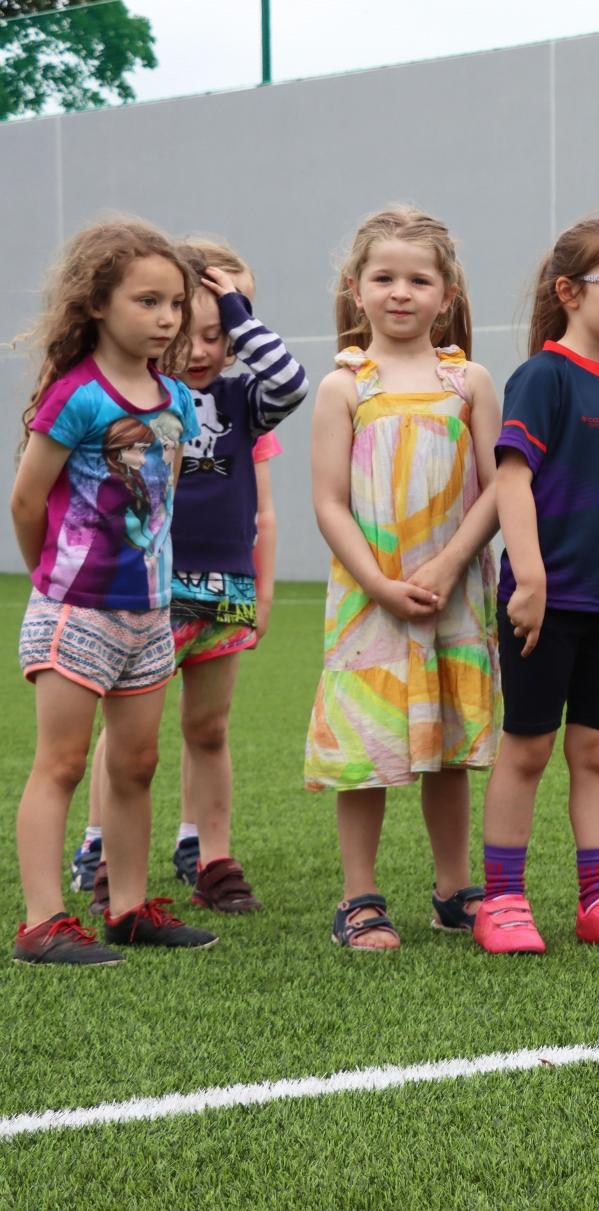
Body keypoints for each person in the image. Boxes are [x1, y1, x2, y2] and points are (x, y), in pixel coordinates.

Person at [75, 238, 307, 915]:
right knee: (127, 730)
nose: (203, 350)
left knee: (209, 728)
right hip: (148, 591)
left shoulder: (242, 402)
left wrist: (236, 308)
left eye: (220, 334)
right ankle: (101, 850)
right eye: (190, 331)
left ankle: (213, 858)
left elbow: (289, 380)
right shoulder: (143, 400)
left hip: (225, 590)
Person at [10, 218, 218, 965]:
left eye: (174, 305)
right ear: (98, 303)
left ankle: (128, 908)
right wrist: (54, 580)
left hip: (149, 615)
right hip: (77, 610)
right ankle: (42, 922)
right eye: (147, 302)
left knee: (135, 763)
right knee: (62, 762)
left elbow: (161, 505)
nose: (165, 319)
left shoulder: (177, 398)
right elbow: (27, 500)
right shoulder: (77, 395)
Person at [472, 214, 599, 956]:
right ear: (568, 291)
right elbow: (512, 480)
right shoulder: (543, 377)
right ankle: (502, 900)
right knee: (525, 746)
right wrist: (529, 579)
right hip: (543, 606)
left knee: (596, 753)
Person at [303, 206, 501, 950]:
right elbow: (328, 503)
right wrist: (380, 585)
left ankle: (454, 891)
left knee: (447, 743)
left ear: (446, 293)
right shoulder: (343, 386)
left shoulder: (470, 380)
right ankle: (359, 898)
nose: (400, 292)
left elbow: (495, 489)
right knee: (366, 747)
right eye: (384, 277)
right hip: (370, 599)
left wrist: (451, 565)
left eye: (419, 279)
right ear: (357, 289)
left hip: (455, 595)